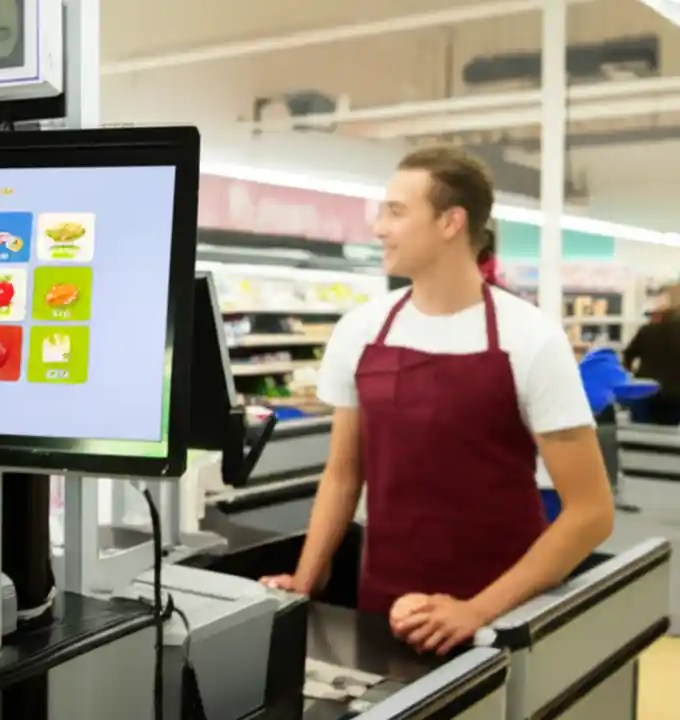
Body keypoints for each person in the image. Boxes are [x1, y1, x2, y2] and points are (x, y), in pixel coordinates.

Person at [261, 146, 615, 655]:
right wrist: (305, 579)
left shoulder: (531, 339)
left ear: (452, 222)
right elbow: (343, 473)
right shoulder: (359, 331)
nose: (379, 227)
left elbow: (591, 512)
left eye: (396, 212)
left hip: (501, 616)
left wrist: (476, 611)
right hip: (383, 603)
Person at [623, 284, 680, 426]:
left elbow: (628, 355)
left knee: (640, 432)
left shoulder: (647, 330)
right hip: (675, 394)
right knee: (669, 435)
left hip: (645, 389)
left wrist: (632, 372)